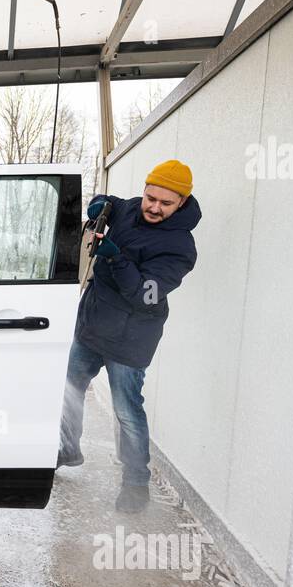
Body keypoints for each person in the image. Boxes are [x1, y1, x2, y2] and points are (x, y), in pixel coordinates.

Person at [59, 160, 201, 512]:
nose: (153, 207)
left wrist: (115, 257)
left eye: (165, 203)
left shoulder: (181, 248)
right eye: (150, 197)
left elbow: (145, 294)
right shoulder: (128, 209)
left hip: (130, 341)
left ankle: (137, 482)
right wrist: (98, 204)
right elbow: (110, 200)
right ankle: (66, 450)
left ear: (181, 202)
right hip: (92, 327)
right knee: (69, 390)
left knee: (126, 412)